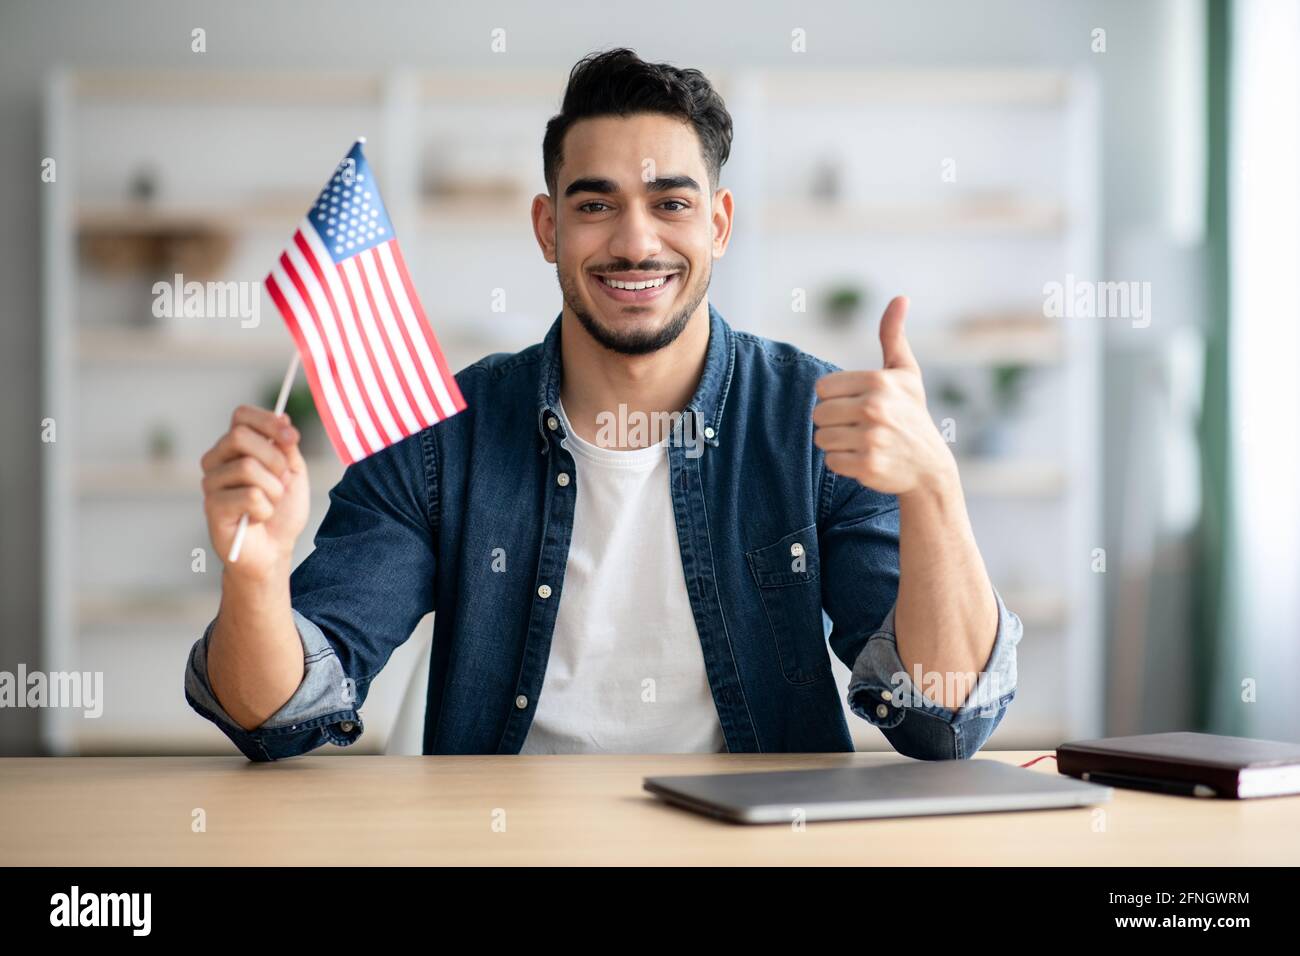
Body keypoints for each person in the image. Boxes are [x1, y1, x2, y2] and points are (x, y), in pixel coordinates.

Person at [185, 48, 1021, 761]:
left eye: (671, 203)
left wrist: (935, 489)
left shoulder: (814, 422)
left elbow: (942, 720)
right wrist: (254, 575)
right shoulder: (441, 436)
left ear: (718, 225)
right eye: (595, 205)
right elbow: (271, 720)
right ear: (548, 230)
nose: (635, 241)